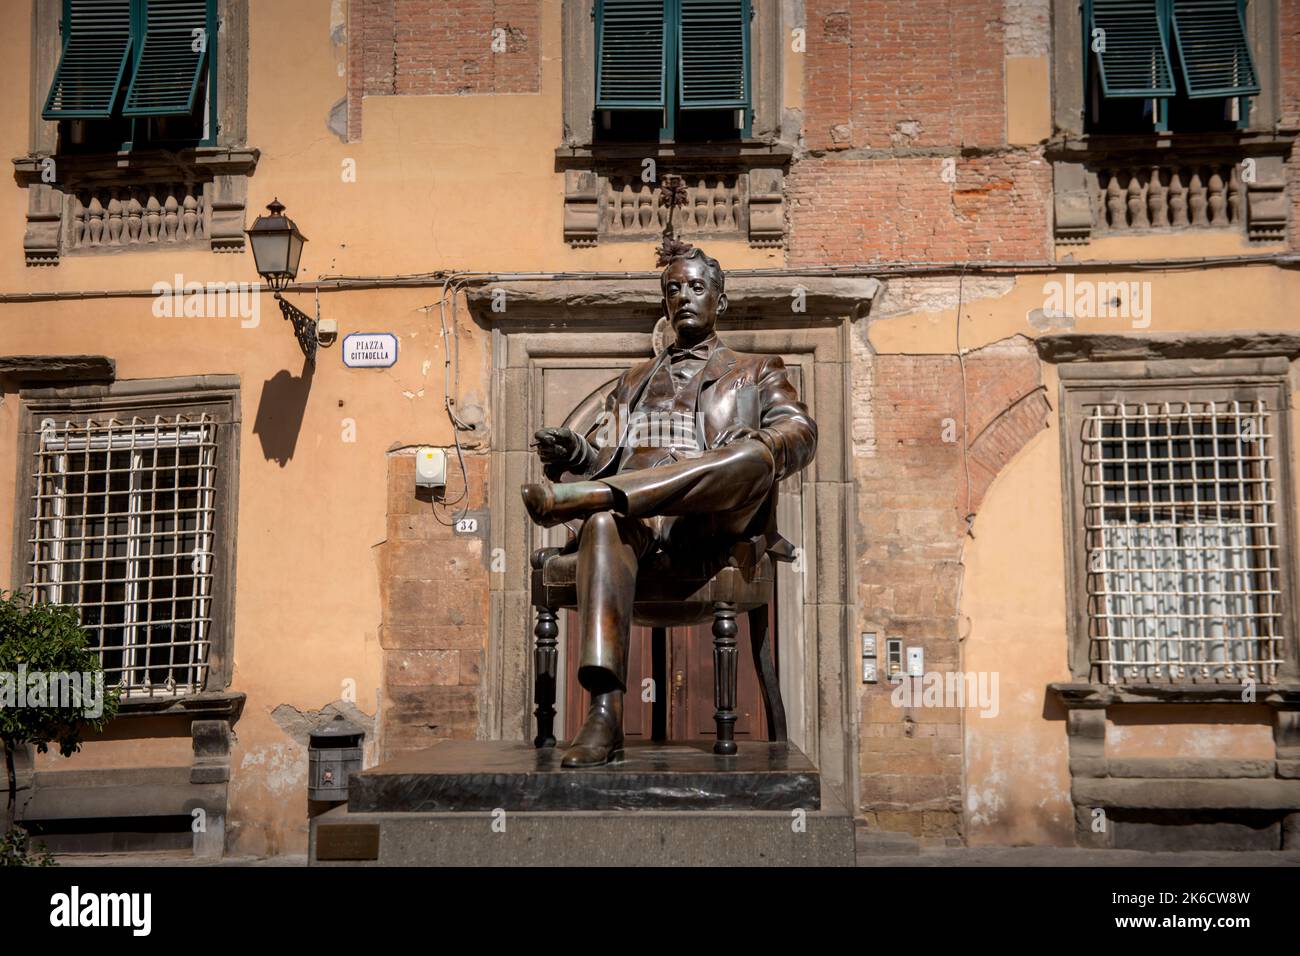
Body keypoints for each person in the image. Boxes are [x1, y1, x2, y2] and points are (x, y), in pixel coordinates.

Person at [521, 248, 817, 767]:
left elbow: (801, 433)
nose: (683, 297)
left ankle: (591, 501)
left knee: (752, 455)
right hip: (637, 515)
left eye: (697, 287)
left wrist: (767, 442)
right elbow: (605, 454)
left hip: (707, 521)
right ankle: (605, 715)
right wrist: (575, 453)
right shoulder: (632, 381)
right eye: (674, 289)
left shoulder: (756, 370)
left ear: (719, 300)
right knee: (605, 523)